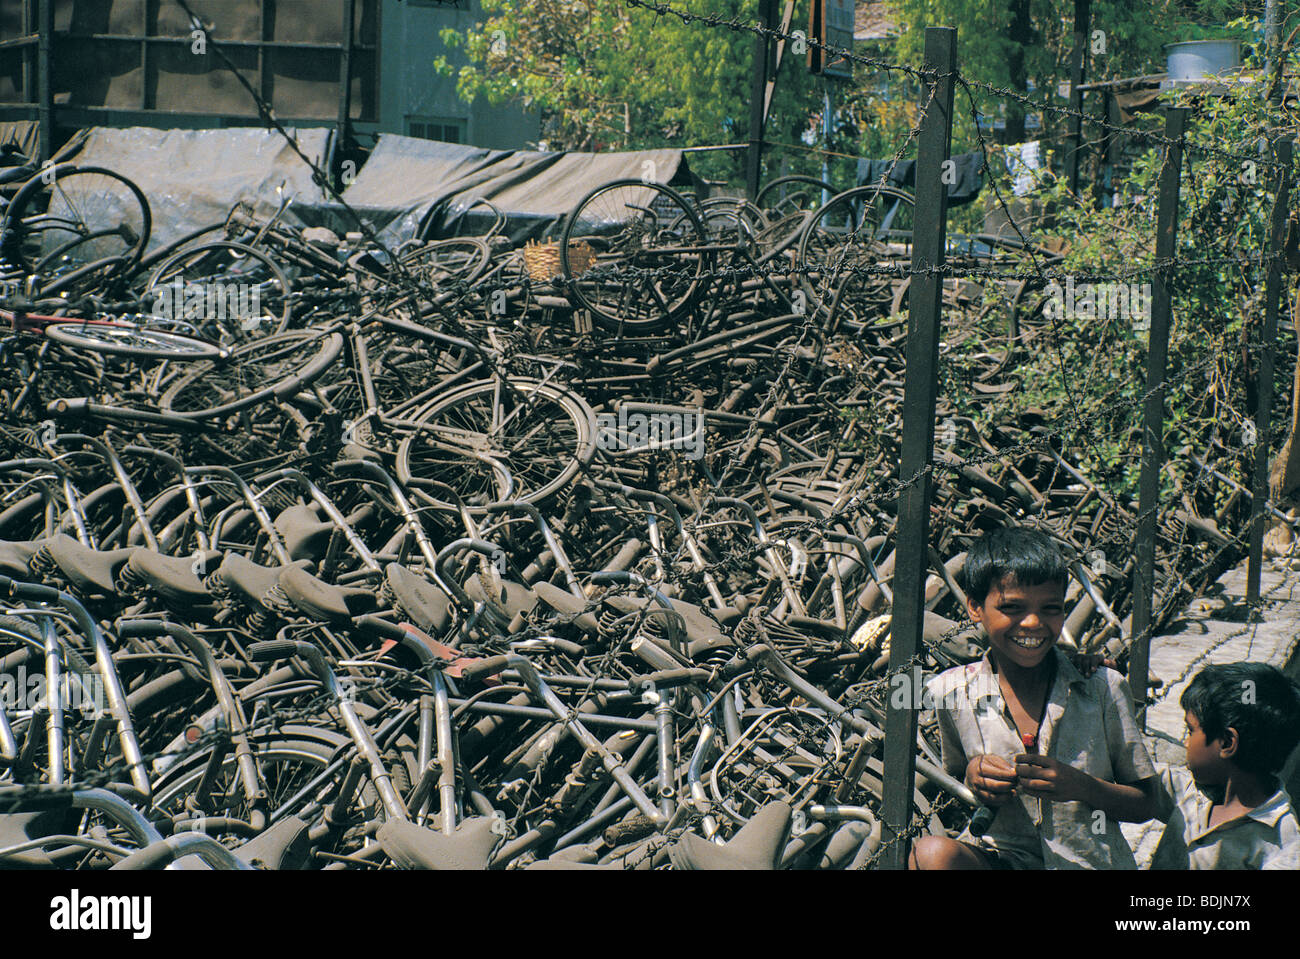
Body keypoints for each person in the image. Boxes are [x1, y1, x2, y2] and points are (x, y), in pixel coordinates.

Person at [909, 526, 1159, 869]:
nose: (1032, 623)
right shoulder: (951, 694)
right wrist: (973, 774)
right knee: (930, 854)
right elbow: (956, 781)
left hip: (1088, 862)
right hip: (1005, 857)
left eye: (1051, 608)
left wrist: (1083, 788)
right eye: (1012, 607)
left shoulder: (1101, 687)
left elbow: (1148, 803)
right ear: (975, 607)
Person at [1149, 662, 1300, 869]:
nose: (1186, 742)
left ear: (1228, 743)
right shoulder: (1191, 790)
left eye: (1191, 730)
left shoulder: (1283, 845)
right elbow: (1124, 776)